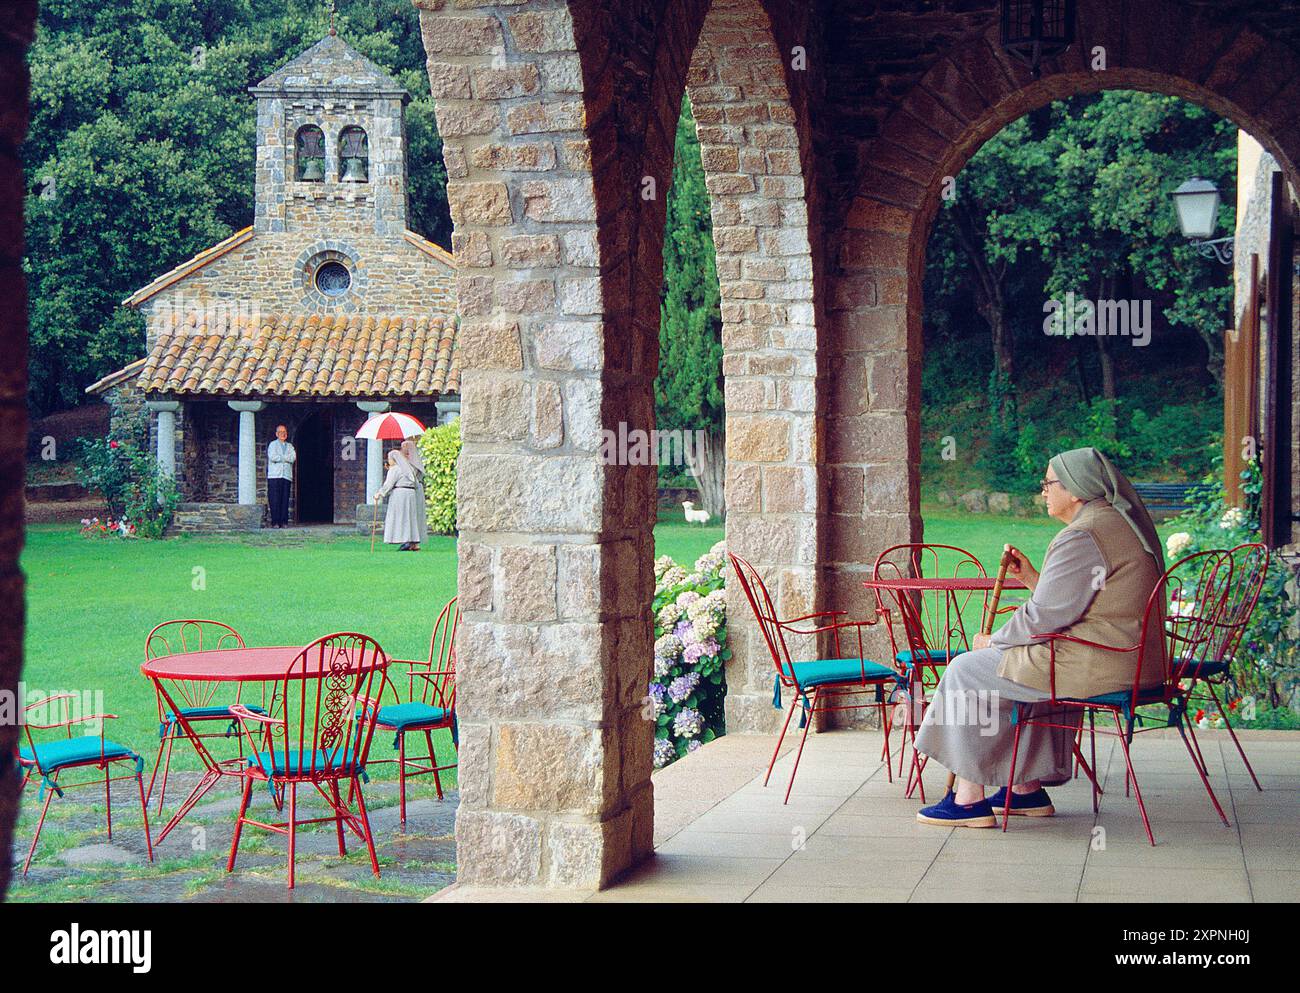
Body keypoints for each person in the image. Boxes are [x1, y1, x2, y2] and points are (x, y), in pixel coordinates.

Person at [913, 447, 1166, 827]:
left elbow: (1044, 616)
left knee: (966, 670)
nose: (1043, 491)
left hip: (1099, 663)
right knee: (1019, 672)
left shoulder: (1083, 534)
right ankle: (1025, 790)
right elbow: (1080, 602)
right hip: (1128, 659)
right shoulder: (1115, 524)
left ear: (1077, 489)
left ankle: (967, 801)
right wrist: (1032, 579)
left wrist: (994, 641)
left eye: (1049, 483)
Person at [375, 449, 426, 551]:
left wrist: (379, 493)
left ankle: (405, 539)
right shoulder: (408, 468)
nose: (389, 461)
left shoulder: (395, 469)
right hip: (410, 494)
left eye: (389, 459)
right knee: (410, 517)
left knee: (400, 516)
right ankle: (413, 541)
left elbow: (388, 484)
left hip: (399, 495)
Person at [266, 424, 296, 528]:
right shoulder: (273, 445)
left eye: (284, 432)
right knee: (275, 499)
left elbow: (293, 458)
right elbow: (273, 457)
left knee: (284, 499)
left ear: (286, 434)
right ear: (276, 434)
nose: (282, 434)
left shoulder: (290, 446)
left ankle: (284, 522)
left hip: (286, 475)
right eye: (280, 432)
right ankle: (275, 522)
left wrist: (281, 458)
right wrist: (285, 458)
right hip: (274, 476)